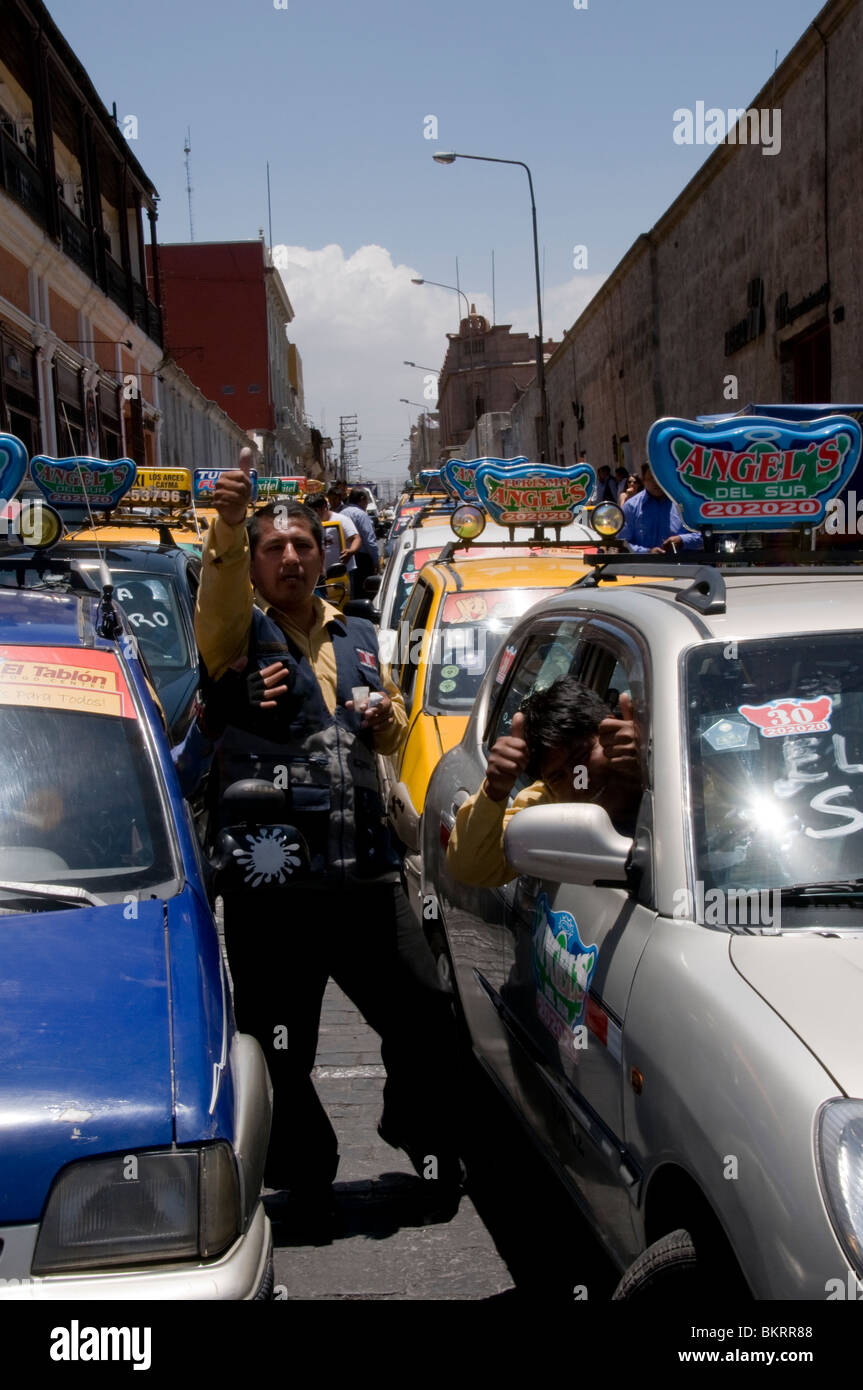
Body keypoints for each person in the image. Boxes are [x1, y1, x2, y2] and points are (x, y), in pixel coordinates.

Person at [194, 450, 463, 1233]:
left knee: (424, 1016)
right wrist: (230, 523)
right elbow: (215, 597)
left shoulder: (364, 638)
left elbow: (392, 738)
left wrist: (387, 725)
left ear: (327, 552)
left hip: (367, 878)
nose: (287, 557)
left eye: (301, 545)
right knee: (281, 1050)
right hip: (273, 895)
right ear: (252, 563)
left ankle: (421, 1142)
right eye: (271, 548)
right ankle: (305, 1177)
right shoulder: (233, 636)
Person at [446, 677, 641, 889]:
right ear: (547, 786)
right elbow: (470, 867)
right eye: (558, 777)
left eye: (582, 757)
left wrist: (650, 763)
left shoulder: (662, 758)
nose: (579, 781)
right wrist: (495, 791)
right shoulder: (546, 803)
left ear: (611, 730)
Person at [619, 463, 700, 554]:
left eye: (661, 477)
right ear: (643, 480)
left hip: (683, 566)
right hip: (645, 566)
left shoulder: (687, 504)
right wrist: (647, 552)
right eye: (652, 478)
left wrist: (682, 540)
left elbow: (704, 536)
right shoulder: (631, 507)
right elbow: (622, 543)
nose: (656, 482)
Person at [340, 488, 380, 598]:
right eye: (367, 501)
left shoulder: (341, 514)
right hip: (362, 559)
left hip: (346, 557)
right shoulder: (361, 515)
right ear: (362, 499)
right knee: (365, 592)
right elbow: (369, 540)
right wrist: (376, 561)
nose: (367, 504)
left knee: (351, 590)